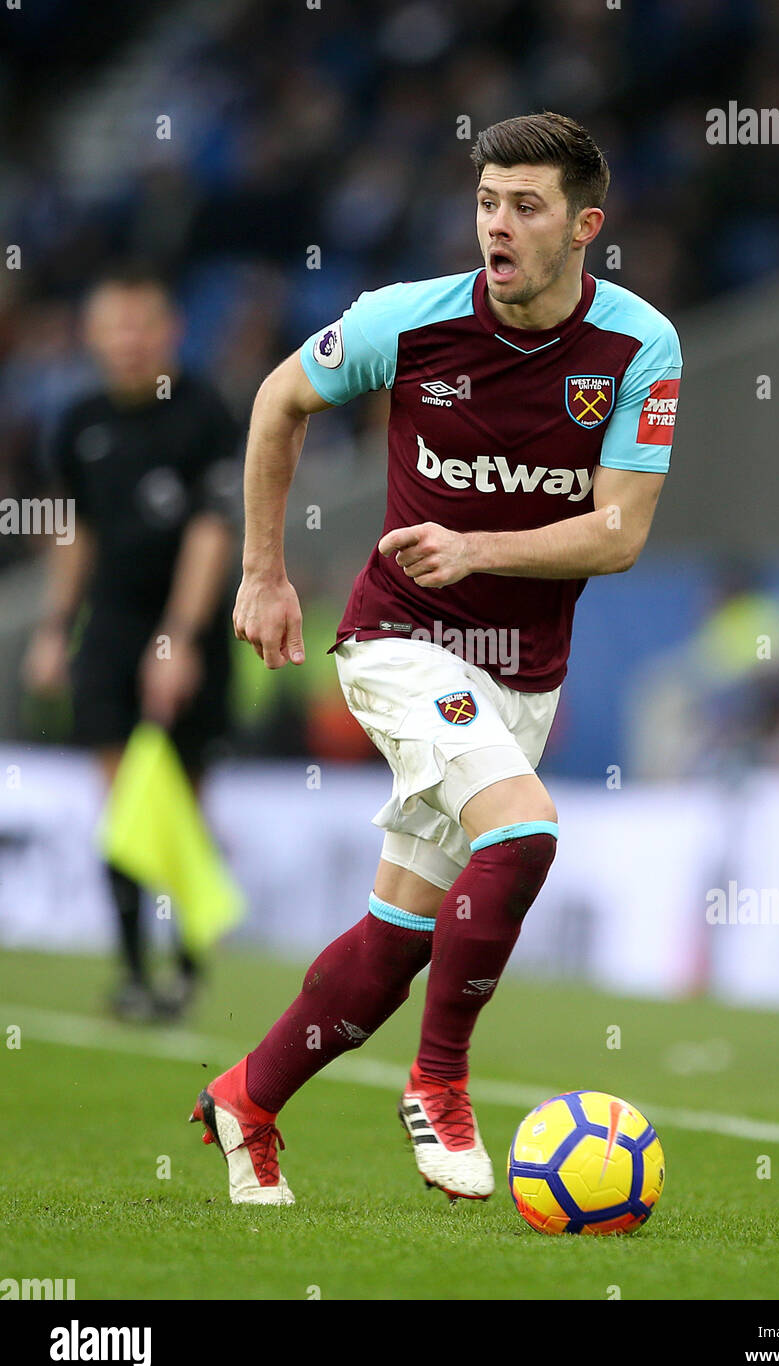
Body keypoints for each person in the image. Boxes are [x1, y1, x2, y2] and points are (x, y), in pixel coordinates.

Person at [190, 112, 681, 1204]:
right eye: (486, 203)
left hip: (523, 675)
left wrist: (483, 545)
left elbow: (620, 531)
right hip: (399, 640)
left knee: (401, 933)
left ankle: (246, 1100)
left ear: (584, 226)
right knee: (525, 829)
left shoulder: (640, 348)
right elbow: (278, 399)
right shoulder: (406, 321)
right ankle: (440, 1082)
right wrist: (264, 573)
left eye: (526, 207)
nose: (497, 226)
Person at [22, 270, 240, 1021]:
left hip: (193, 624)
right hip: (111, 630)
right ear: (92, 335)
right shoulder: (77, 420)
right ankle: (131, 971)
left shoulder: (204, 411)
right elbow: (71, 533)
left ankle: (185, 966)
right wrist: (56, 629)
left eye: (140, 326)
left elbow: (213, 530)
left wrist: (179, 637)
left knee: (181, 797)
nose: (127, 341)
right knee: (120, 804)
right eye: (112, 327)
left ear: (169, 330)